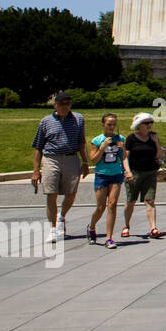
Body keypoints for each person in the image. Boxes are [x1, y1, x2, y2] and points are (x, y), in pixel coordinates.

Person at [31, 91, 88, 243]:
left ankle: (61, 216)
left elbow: (82, 142)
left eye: (68, 104)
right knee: (51, 193)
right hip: (51, 159)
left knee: (71, 192)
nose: (65, 107)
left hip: (71, 158)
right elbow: (38, 147)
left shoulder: (78, 119)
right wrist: (36, 171)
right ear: (55, 105)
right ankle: (53, 228)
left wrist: (86, 162)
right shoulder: (46, 121)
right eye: (62, 104)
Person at [123, 111, 165, 239]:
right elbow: (125, 157)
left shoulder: (153, 137)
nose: (149, 125)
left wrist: (156, 142)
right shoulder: (131, 138)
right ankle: (126, 225)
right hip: (135, 172)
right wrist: (128, 171)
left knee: (150, 200)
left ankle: (153, 227)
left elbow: (159, 155)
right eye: (146, 123)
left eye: (150, 122)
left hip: (150, 172)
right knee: (131, 200)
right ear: (138, 125)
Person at [87, 114, 126, 248]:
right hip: (102, 175)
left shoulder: (120, 139)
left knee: (112, 204)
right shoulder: (97, 140)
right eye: (109, 124)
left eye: (114, 124)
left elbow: (124, 157)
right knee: (100, 207)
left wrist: (123, 148)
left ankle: (109, 238)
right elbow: (94, 160)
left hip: (116, 174)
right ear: (103, 124)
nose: (112, 127)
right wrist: (102, 147)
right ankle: (91, 227)